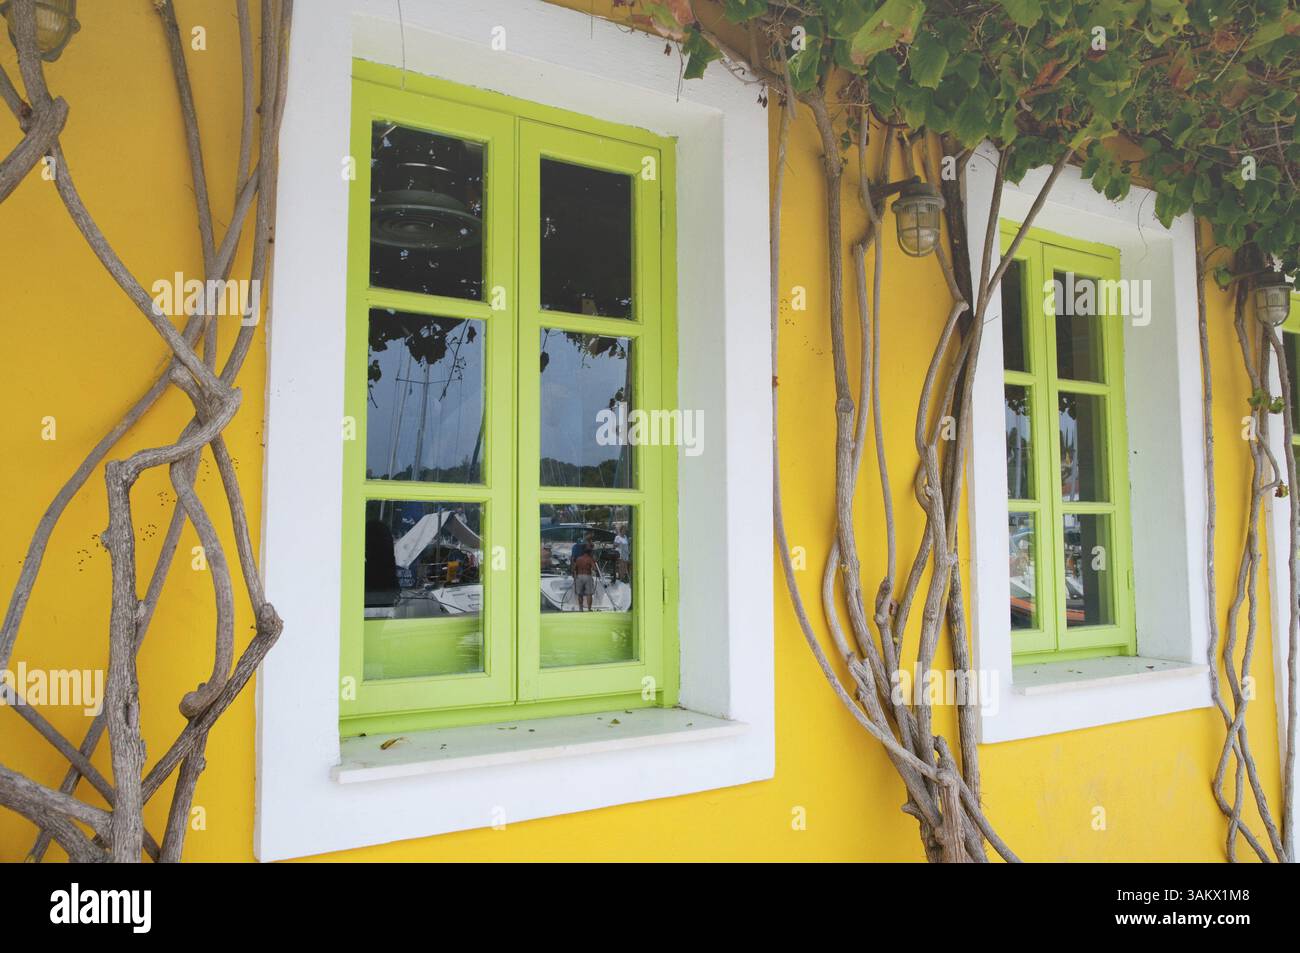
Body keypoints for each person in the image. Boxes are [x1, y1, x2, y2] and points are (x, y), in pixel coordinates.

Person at [572, 546, 597, 611]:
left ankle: (581, 608)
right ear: (589, 553)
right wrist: (594, 561)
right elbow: (594, 568)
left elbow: (574, 569)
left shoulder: (578, 559)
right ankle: (589, 608)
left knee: (580, 594)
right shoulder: (590, 559)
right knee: (589, 594)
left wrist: (574, 576)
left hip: (579, 576)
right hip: (587, 576)